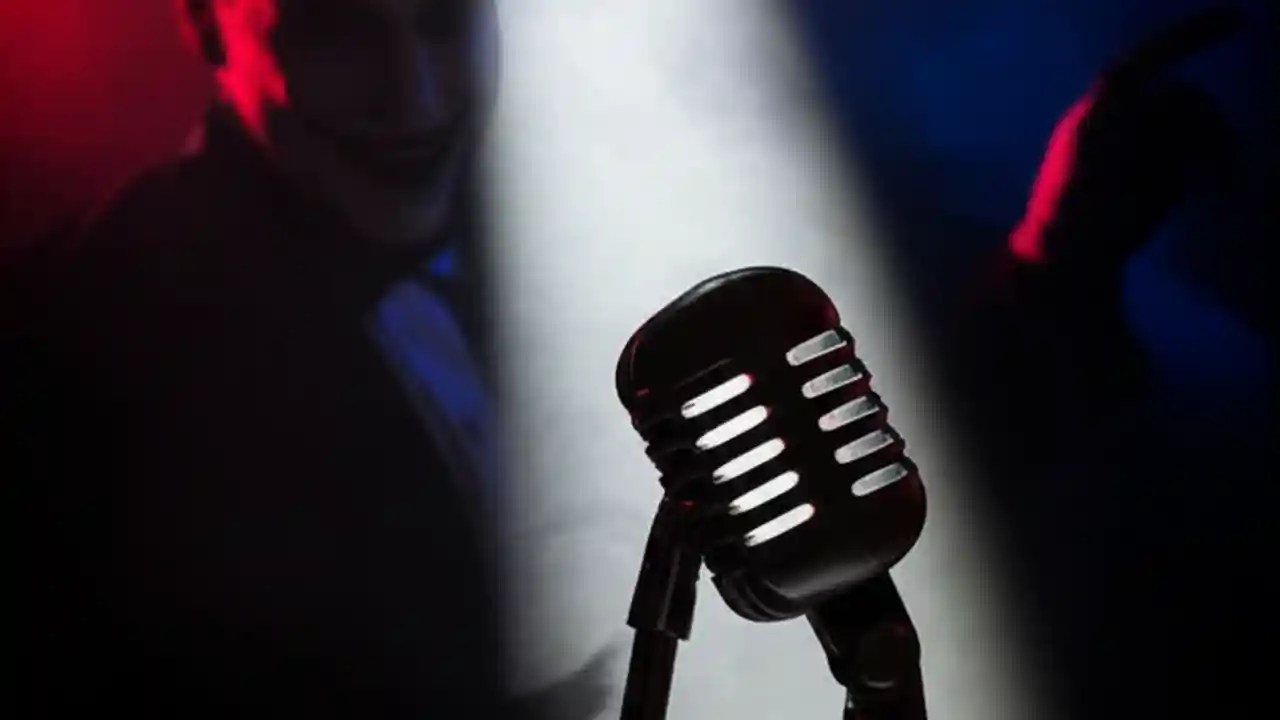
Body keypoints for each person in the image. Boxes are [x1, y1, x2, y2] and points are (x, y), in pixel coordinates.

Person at [5, 1, 610, 717]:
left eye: (448, 18)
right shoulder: (64, 353)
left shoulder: (609, 227)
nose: (412, 96)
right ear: (200, 21)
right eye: (332, 26)